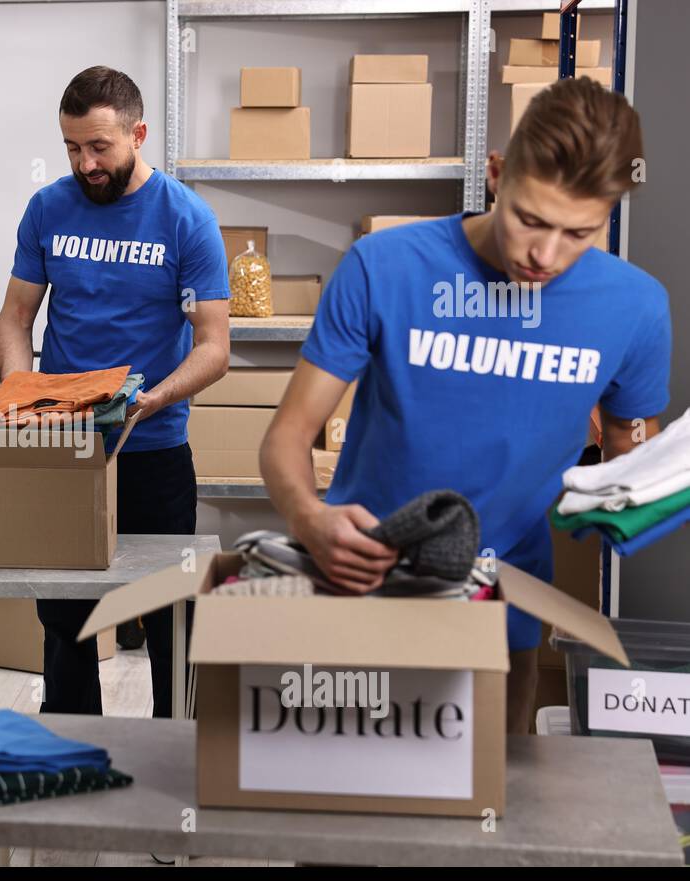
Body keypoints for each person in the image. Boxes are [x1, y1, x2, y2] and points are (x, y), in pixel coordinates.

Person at [259, 78, 669, 733]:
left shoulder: (637, 308)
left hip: (503, 601)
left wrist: (644, 488)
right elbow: (286, 437)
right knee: (349, 805)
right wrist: (310, 520)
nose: (546, 254)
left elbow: (632, 448)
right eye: (530, 219)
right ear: (497, 174)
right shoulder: (383, 267)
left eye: (579, 233)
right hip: (364, 578)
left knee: (489, 808)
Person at [0, 66, 230, 717]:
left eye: (99, 147)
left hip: (152, 447)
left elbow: (213, 345)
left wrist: (158, 396)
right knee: (65, 622)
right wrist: (20, 387)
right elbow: (15, 318)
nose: (85, 163)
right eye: (72, 147)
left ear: (138, 133)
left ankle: (173, 764)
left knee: (170, 621)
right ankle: (76, 762)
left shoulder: (186, 219)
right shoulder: (48, 209)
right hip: (66, 447)